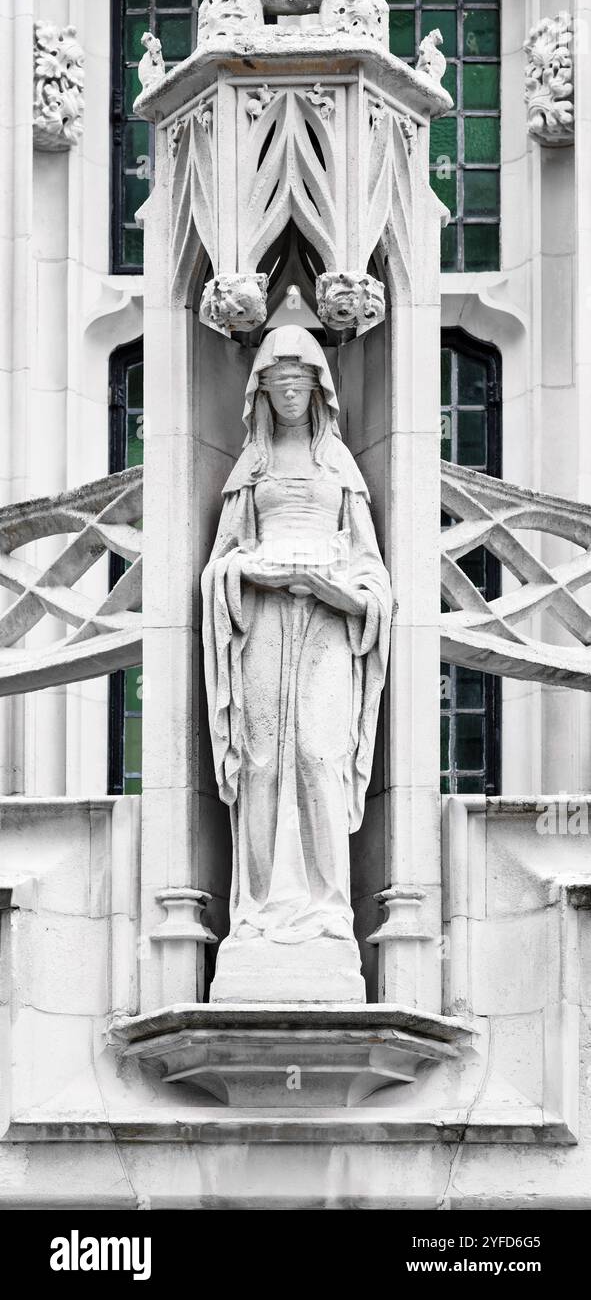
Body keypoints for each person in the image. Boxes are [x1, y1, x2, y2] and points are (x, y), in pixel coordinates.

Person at [202, 325, 392, 963]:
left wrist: (340, 593)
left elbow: (371, 573)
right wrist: (252, 572)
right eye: (278, 384)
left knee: (317, 756)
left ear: (318, 390)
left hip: (327, 627)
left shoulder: (341, 467)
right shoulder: (249, 468)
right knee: (260, 762)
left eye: (299, 383)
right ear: (261, 391)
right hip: (261, 623)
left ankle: (329, 908)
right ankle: (256, 911)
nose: (288, 395)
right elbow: (219, 564)